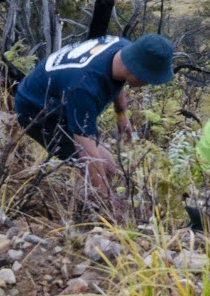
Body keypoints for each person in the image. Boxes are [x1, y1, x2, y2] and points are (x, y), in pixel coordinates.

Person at [14, 33, 175, 205]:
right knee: (103, 167)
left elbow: (118, 80)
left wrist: (121, 114)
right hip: (37, 111)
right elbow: (85, 146)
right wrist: (108, 200)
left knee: (108, 168)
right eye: (148, 78)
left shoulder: (124, 49)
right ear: (133, 68)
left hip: (64, 98)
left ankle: (82, 200)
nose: (149, 83)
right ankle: (92, 209)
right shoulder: (85, 87)